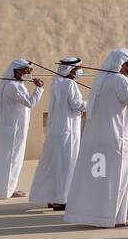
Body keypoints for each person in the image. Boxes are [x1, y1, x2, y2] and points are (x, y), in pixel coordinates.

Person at [64, 49, 128, 228]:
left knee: (100, 177)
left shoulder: (102, 80)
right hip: (117, 139)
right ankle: (108, 218)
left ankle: (106, 216)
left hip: (100, 138)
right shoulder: (119, 80)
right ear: (121, 64)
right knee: (115, 179)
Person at [29, 57, 87, 210]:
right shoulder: (70, 84)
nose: (80, 72)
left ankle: (51, 197)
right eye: (78, 69)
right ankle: (61, 200)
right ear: (70, 70)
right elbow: (77, 105)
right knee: (66, 165)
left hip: (56, 130)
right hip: (68, 131)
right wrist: (93, 102)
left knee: (55, 165)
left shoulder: (56, 83)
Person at [0, 59, 44, 198]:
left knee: (13, 160)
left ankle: (7, 189)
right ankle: (5, 191)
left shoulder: (18, 84)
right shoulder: (13, 86)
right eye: (27, 70)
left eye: (30, 70)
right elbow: (29, 102)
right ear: (17, 71)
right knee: (11, 159)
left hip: (15, 128)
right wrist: (39, 88)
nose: (29, 73)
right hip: (13, 130)